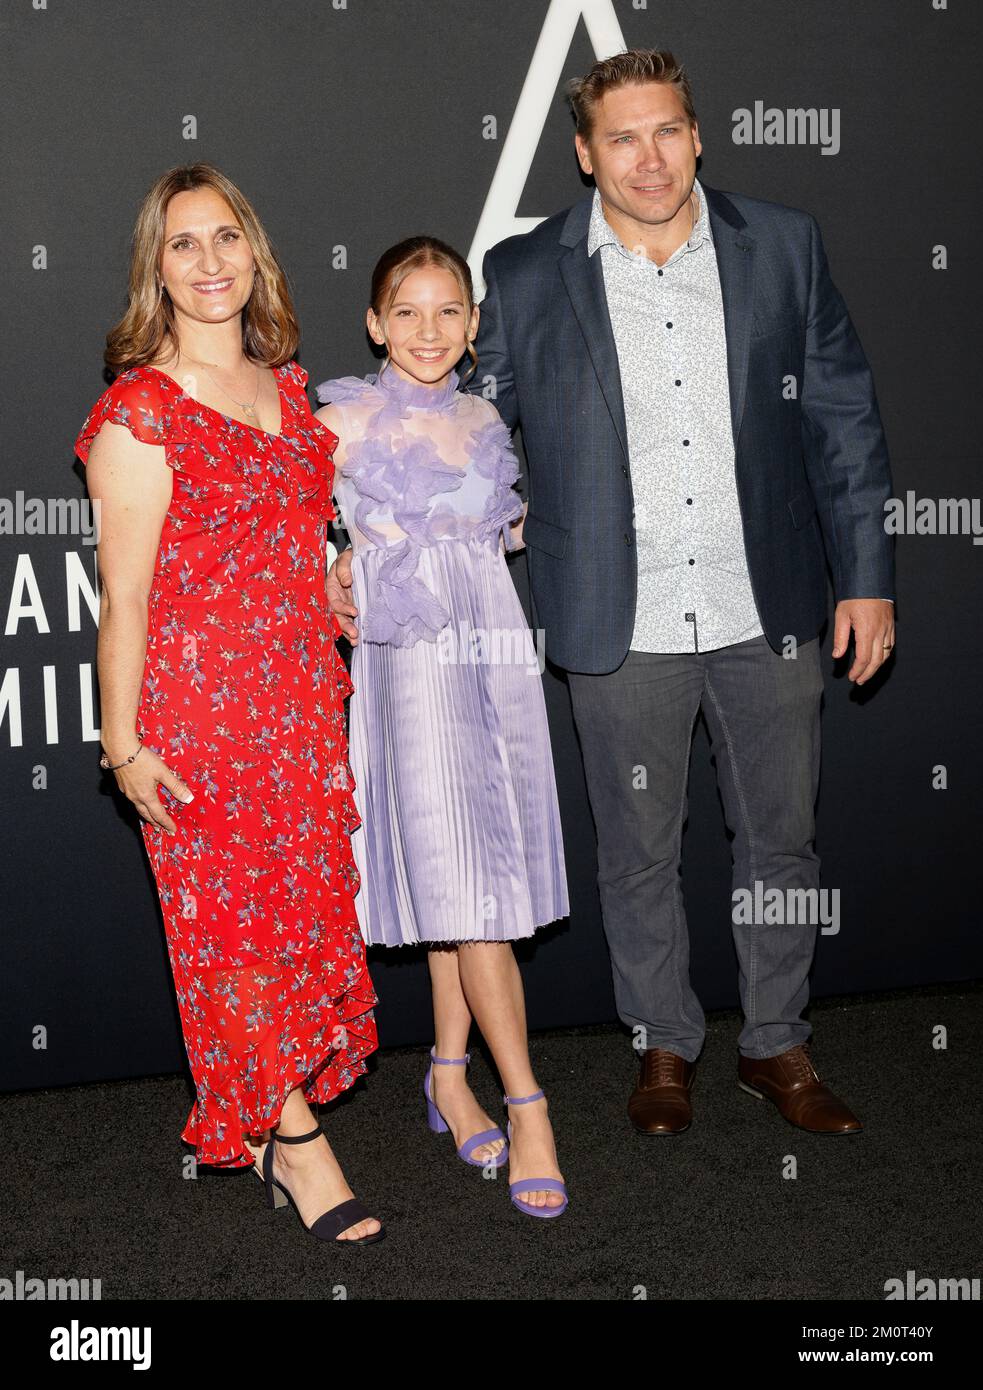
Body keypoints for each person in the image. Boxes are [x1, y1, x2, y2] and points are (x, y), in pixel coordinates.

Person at [330, 49, 896, 1138]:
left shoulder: (780, 246)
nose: (648, 158)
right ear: (583, 153)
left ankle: (774, 1040)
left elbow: (842, 421)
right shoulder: (529, 271)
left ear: (696, 135)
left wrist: (865, 577)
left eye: (667, 131)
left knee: (780, 839)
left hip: (763, 600)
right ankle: (662, 1044)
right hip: (612, 610)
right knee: (637, 846)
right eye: (621, 139)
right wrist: (342, 540)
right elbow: (453, 419)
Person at [74, 162, 383, 1244]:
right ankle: (297, 1147)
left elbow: (295, 536)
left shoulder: (285, 384)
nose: (209, 263)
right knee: (232, 939)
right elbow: (125, 596)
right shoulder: (140, 411)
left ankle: (252, 1111)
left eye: (225, 239)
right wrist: (122, 746)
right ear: (154, 269)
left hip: (302, 701)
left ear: (255, 250)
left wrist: (331, 581)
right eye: (182, 244)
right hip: (199, 715)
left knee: (298, 922)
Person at [315, 237, 570, 1216]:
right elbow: (280, 527)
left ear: (471, 324)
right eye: (407, 311)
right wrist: (330, 569)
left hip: (493, 667)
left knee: (462, 884)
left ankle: (446, 1072)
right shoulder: (337, 421)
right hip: (408, 677)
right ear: (376, 323)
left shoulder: (482, 419)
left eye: (448, 310)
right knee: (470, 897)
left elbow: (497, 546)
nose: (429, 330)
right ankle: (527, 1104)